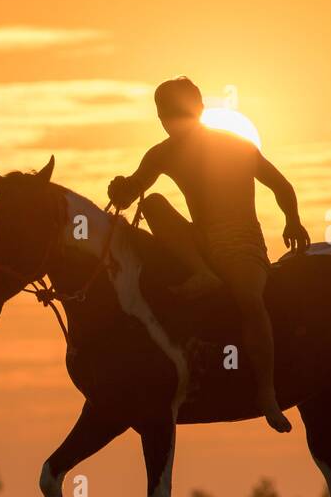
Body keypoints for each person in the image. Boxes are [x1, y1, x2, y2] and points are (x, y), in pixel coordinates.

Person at [108, 76, 310, 433]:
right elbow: (132, 193)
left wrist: (292, 221)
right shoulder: (162, 153)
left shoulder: (236, 144)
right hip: (197, 243)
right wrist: (121, 187)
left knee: (250, 300)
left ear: (199, 109)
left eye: (177, 112)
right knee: (154, 204)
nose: (170, 120)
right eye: (164, 114)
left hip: (241, 243)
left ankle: (267, 392)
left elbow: (281, 185)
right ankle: (202, 273)